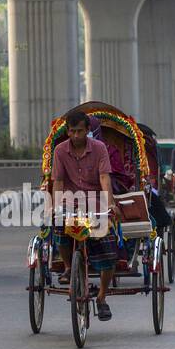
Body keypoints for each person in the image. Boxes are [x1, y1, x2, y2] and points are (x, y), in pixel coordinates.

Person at [52, 109, 122, 319]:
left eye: (79, 131)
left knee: (108, 250)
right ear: (67, 131)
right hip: (70, 202)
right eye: (72, 131)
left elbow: (104, 178)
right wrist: (56, 205)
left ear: (87, 130)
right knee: (58, 225)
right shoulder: (60, 151)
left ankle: (101, 297)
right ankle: (67, 266)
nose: (75, 136)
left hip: (96, 202)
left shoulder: (100, 148)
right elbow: (58, 181)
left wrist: (110, 203)